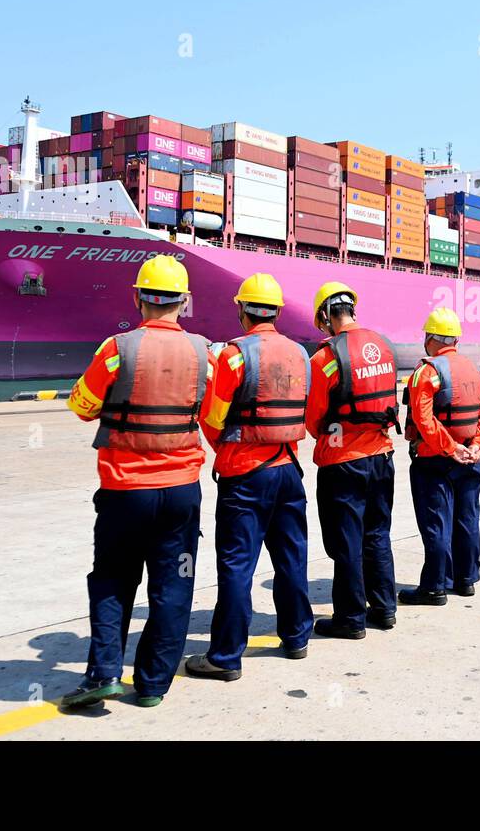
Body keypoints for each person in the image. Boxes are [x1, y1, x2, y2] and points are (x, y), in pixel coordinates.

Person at [61, 254, 212, 709]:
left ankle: (104, 674)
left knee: (112, 579)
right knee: (173, 586)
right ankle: (152, 686)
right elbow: (216, 415)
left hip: (125, 490)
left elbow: (81, 405)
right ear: (184, 302)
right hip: (182, 491)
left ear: (137, 297)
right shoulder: (207, 352)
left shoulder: (117, 348)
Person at [185, 274, 313, 682]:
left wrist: (227, 448)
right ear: (275, 311)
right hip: (289, 468)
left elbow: (213, 417)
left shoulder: (235, 356)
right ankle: (296, 637)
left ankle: (225, 657)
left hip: (245, 474)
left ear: (242, 310)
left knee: (238, 566)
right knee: (291, 557)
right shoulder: (301, 353)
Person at [304, 281, 400, 639]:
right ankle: (385, 608)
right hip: (382, 455)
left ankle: (349, 618)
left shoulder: (326, 359)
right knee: (377, 532)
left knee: (346, 541)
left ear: (326, 316)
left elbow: (314, 419)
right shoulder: (385, 346)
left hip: (343, 461)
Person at [400, 307, 480, 604]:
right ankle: (466, 580)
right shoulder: (472, 369)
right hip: (471, 459)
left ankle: (434, 587)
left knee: (436, 524)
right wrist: (477, 446)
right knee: (467, 519)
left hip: (435, 461)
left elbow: (425, 421)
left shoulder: (426, 372)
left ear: (430, 338)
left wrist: (451, 448)